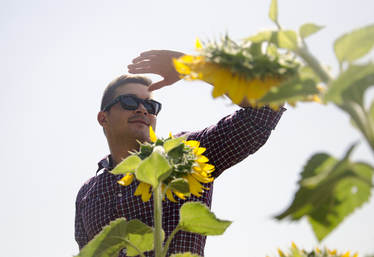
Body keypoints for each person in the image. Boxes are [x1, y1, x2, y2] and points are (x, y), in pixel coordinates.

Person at [74, 50, 285, 256]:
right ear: (103, 119)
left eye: (151, 105)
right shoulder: (87, 193)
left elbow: (267, 106)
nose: (142, 109)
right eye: (129, 102)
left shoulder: (185, 154)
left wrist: (194, 66)